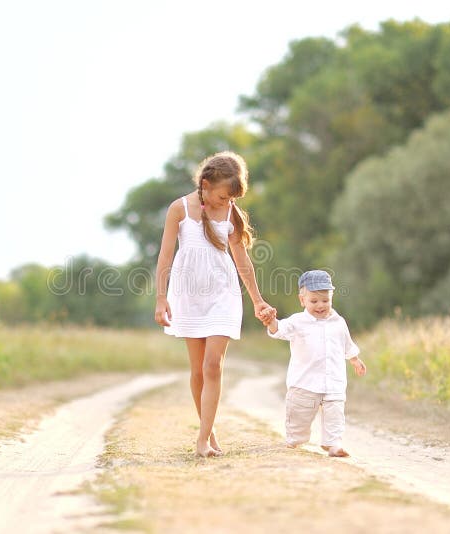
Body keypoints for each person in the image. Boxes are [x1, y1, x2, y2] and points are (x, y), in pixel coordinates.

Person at [154, 151, 274, 458]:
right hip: (188, 297)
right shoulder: (178, 209)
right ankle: (210, 430)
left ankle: (202, 440)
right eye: (222, 196)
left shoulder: (230, 211)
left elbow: (242, 260)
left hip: (223, 294)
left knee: (212, 365)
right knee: (197, 371)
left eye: (231, 198)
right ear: (205, 185)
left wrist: (258, 300)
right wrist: (161, 297)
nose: (226, 203)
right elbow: (165, 256)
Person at [260, 269, 366, 457]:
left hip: (333, 382)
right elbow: (280, 329)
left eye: (325, 301)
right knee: (299, 419)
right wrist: (271, 322)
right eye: (314, 301)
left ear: (331, 299)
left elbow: (347, 343)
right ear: (302, 300)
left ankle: (333, 444)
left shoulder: (338, 322)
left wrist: (355, 359)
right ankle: (295, 438)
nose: (320, 305)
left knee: (335, 414)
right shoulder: (298, 321)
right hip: (304, 383)